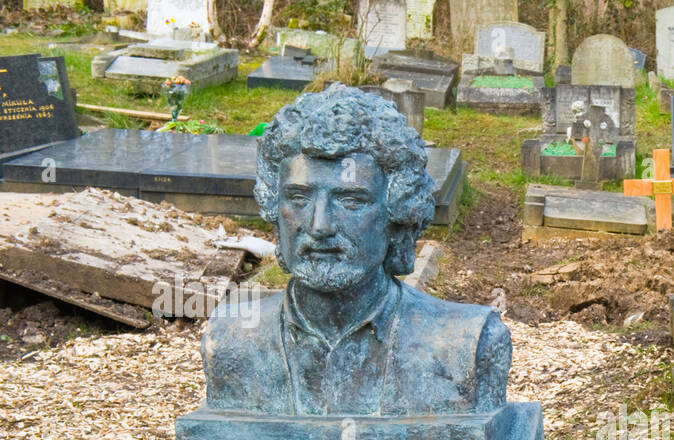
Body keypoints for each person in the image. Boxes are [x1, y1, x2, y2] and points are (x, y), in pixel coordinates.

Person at [201, 84, 510, 417]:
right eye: (299, 199)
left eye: (350, 201)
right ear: (274, 207)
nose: (320, 226)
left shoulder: (464, 345)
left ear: (396, 213)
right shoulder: (230, 341)